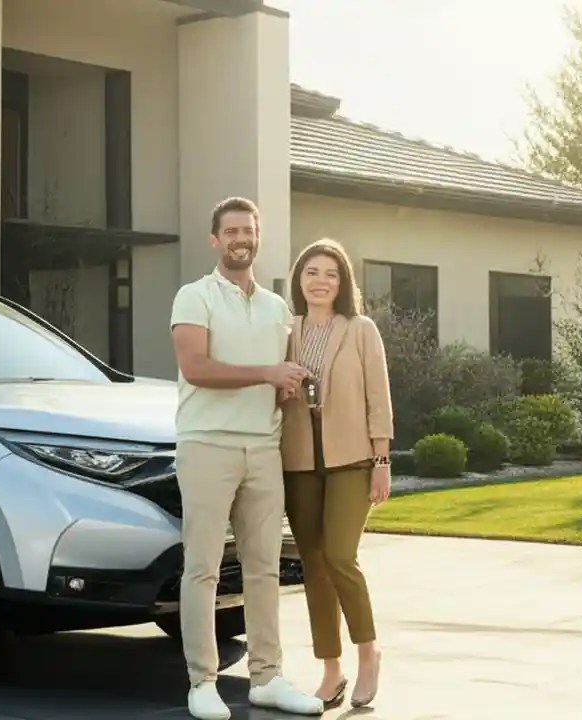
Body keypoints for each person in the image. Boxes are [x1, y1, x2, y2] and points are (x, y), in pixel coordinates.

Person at [169, 197, 324, 720]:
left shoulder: (278, 308)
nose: (241, 238)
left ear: (258, 237)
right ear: (215, 240)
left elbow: (280, 382)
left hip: (263, 448)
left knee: (263, 569)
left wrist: (287, 385)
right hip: (206, 445)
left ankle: (267, 678)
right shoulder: (194, 296)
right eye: (231, 231)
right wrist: (267, 373)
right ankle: (202, 682)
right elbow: (196, 367)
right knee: (203, 568)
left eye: (248, 230)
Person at [278, 237, 392, 709]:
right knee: (314, 564)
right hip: (299, 463)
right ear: (299, 281)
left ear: (343, 283)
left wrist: (381, 461)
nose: (320, 281)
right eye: (312, 272)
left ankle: (368, 653)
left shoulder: (361, 330)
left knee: (340, 557)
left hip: (352, 461)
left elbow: (378, 398)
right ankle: (331, 669)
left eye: (331, 274)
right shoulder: (285, 330)